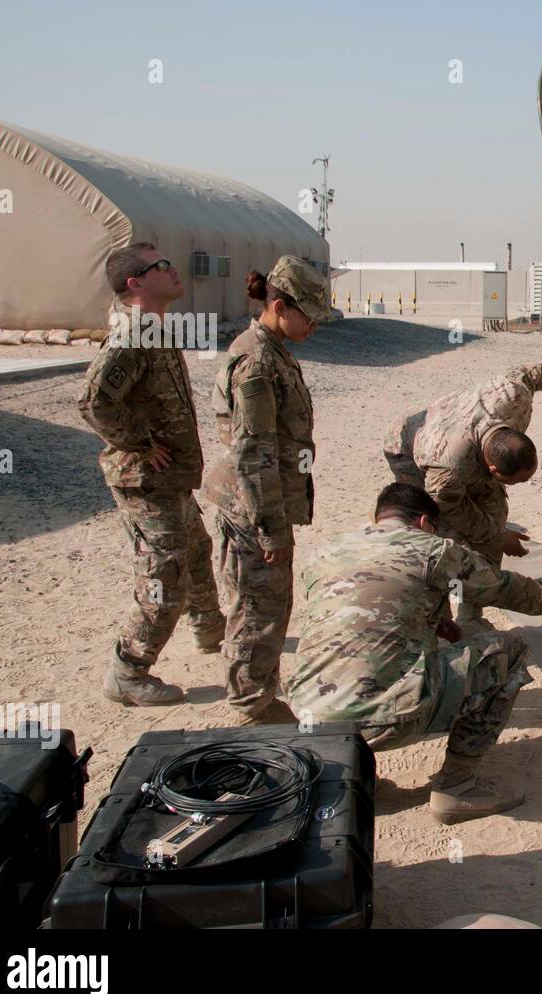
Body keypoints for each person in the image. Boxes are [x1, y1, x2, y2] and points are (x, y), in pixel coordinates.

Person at [288, 483, 542, 823]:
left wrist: (433, 622)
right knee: (508, 649)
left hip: (311, 721)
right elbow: (501, 587)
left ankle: (353, 779)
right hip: (383, 719)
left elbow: (361, 616)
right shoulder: (432, 550)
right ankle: (458, 788)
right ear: (425, 522)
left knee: (364, 666)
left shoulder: (327, 551)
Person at [79, 242, 225, 706]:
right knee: (165, 576)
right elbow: (94, 403)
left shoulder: (151, 328)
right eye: (161, 265)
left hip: (170, 478)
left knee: (198, 550)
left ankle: (210, 631)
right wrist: (141, 443)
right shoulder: (130, 337)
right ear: (135, 283)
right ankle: (128, 671)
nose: (173, 268)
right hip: (146, 479)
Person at [202, 256, 331, 725]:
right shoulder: (256, 361)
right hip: (252, 510)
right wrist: (271, 527)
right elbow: (252, 452)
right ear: (279, 306)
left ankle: (258, 695)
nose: (314, 327)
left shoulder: (274, 349)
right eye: (309, 317)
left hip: (261, 504)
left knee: (269, 605)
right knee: (257, 609)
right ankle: (251, 707)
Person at [383, 357, 542, 625]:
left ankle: (471, 613)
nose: (523, 485)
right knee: (435, 533)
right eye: (518, 481)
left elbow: (529, 372)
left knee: (495, 509)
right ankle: (440, 619)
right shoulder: (449, 469)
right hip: (409, 447)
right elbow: (448, 507)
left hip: (455, 430)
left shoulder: (513, 398)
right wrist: (498, 537)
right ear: (493, 470)